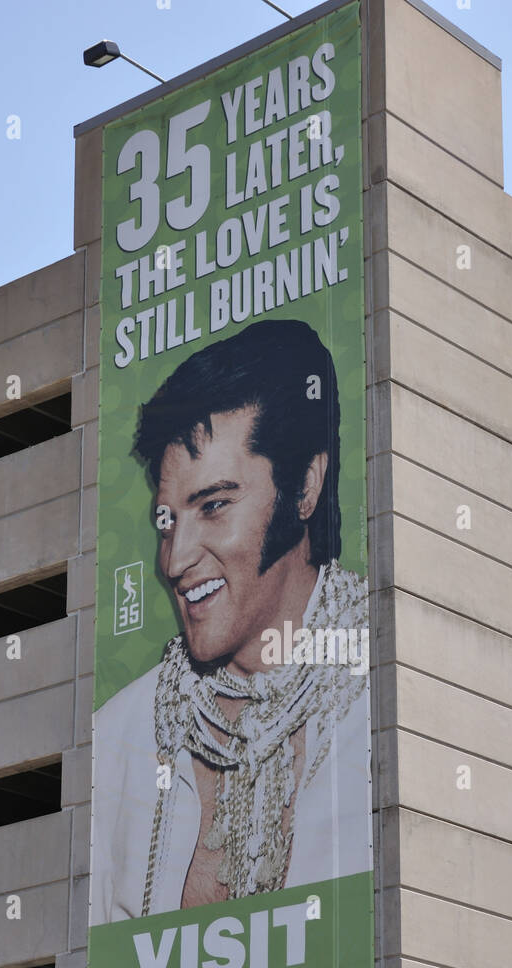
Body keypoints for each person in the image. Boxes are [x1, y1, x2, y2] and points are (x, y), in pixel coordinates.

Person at [90, 318, 372, 923]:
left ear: (305, 487)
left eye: (214, 506)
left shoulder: (390, 695)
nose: (177, 558)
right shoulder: (119, 738)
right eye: (167, 520)